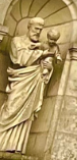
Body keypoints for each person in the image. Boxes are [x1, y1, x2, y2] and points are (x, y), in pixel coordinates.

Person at [0, 17, 61, 153]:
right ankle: (2, 141)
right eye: (35, 29)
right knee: (11, 107)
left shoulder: (42, 45)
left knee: (27, 113)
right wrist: (41, 54)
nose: (38, 32)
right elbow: (20, 59)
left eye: (40, 30)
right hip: (19, 81)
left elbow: (47, 65)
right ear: (29, 27)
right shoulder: (17, 41)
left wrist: (48, 67)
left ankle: (16, 145)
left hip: (33, 82)